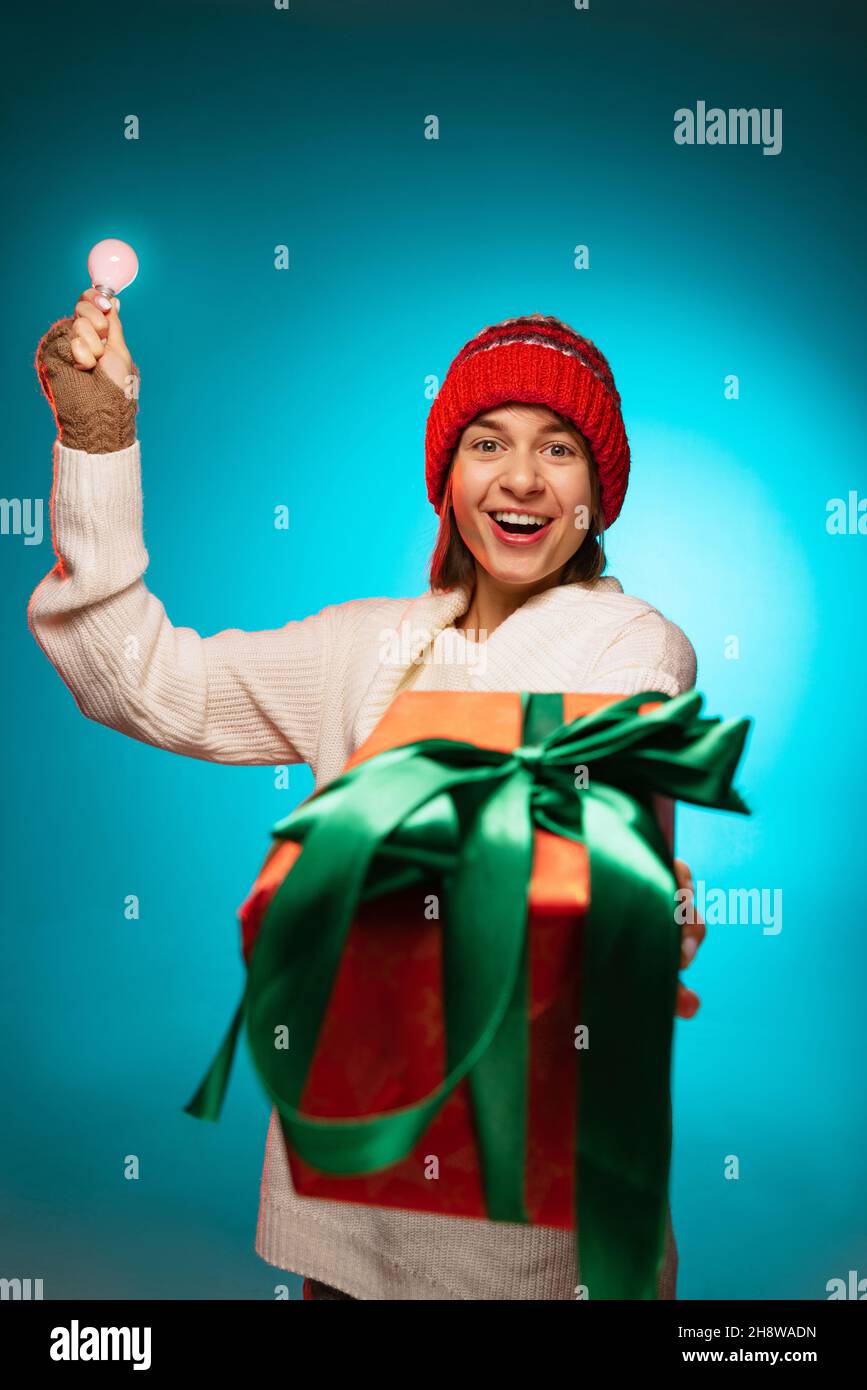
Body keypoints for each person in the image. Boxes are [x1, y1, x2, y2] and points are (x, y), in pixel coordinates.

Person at [31, 301, 706, 1300]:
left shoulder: (635, 647)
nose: (520, 477)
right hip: (350, 1223)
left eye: (558, 449)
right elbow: (132, 677)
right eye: (488, 443)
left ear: (595, 495)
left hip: (539, 1232)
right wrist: (97, 441)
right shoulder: (361, 646)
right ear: (448, 479)